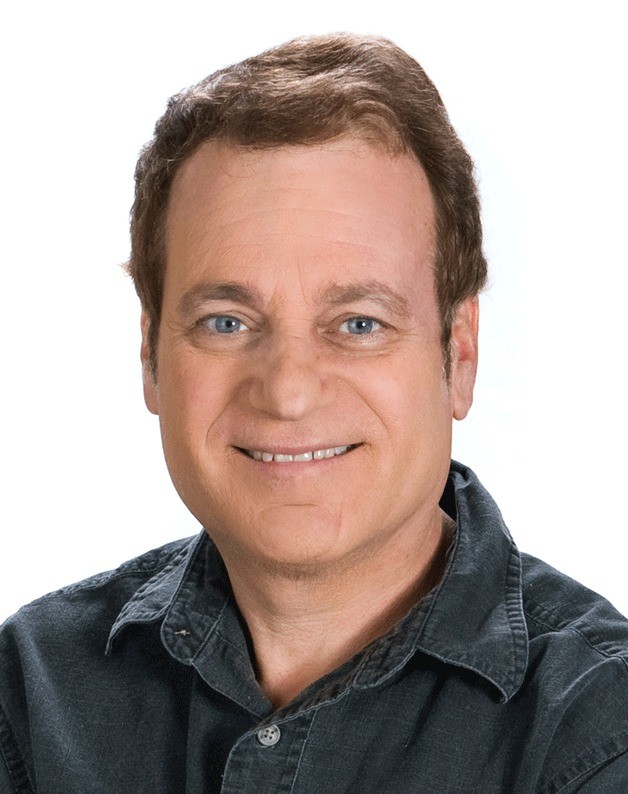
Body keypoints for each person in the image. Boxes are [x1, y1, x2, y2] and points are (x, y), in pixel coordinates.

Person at [0, 33, 626, 793]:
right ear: (150, 355)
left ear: (458, 355)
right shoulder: (30, 697)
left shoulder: (600, 732)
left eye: (359, 323)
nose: (288, 392)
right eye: (226, 322)